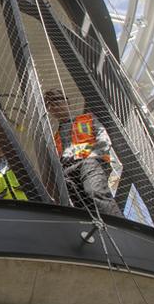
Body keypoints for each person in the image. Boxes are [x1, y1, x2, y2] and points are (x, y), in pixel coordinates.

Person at [44, 89, 123, 218]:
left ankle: (118, 224)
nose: (55, 106)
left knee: (95, 191)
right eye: (50, 105)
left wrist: (94, 156)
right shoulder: (55, 137)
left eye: (57, 100)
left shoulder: (87, 119)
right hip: (66, 170)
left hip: (88, 161)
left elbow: (103, 139)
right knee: (80, 206)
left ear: (67, 102)